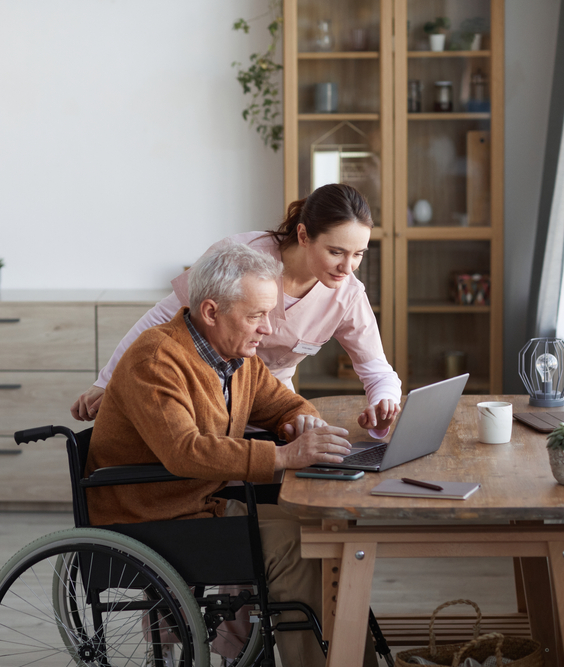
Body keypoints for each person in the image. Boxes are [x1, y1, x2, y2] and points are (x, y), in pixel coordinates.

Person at [85, 241, 354, 666]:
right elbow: (184, 451)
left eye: (270, 313)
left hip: (200, 502)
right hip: (152, 518)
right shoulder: (156, 358)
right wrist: (284, 457)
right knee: (297, 546)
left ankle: (337, 654)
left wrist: (302, 421)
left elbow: (282, 403)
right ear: (211, 312)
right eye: (257, 315)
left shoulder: (235, 357)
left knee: (320, 530)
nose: (268, 328)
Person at [73, 183, 401, 439]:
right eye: (336, 252)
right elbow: (162, 320)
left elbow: (377, 370)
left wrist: (383, 402)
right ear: (303, 235)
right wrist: (106, 381)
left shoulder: (347, 295)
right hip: (205, 393)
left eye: (359, 254)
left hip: (269, 400)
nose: (348, 266)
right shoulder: (240, 257)